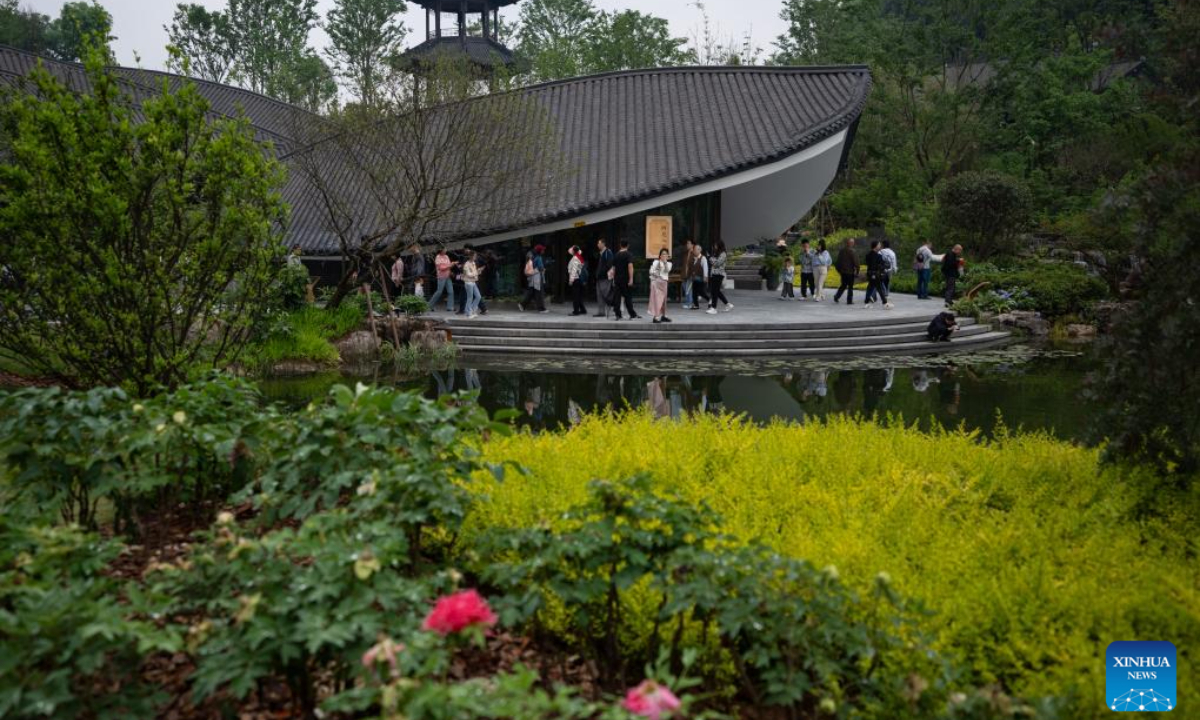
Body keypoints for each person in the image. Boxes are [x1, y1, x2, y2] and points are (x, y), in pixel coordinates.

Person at [612, 239, 638, 320]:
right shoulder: (628, 254)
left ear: (620, 245)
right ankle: (632, 314)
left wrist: (613, 279)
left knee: (617, 297)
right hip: (625, 279)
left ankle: (617, 314)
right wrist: (631, 279)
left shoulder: (616, 255)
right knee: (628, 297)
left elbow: (613, 268)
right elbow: (630, 266)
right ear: (628, 245)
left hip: (617, 279)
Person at [863, 240, 893, 309]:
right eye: (879, 245)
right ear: (876, 246)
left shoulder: (868, 255)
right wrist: (883, 266)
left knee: (870, 288)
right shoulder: (877, 256)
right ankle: (885, 303)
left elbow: (870, 265)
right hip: (875, 274)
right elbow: (876, 265)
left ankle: (867, 303)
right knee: (879, 289)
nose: (880, 246)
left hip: (871, 274)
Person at [518, 245, 548, 313]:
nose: (543, 251)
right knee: (539, 293)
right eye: (542, 250)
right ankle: (541, 308)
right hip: (537, 277)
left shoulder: (534, 257)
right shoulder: (539, 258)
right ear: (540, 251)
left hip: (532, 277)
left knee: (531, 292)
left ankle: (522, 304)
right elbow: (540, 267)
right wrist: (543, 269)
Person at [707, 240, 733, 313]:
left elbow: (717, 263)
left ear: (719, 245)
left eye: (716, 245)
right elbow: (714, 262)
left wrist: (710, 257)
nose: (715, 247)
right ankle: (727, 304)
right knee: (716, 291)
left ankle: (714, 308)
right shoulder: (717, 253)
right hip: (714, 274)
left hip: (719, 274)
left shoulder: (723, 254)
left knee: (715, 291)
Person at [648, 248, 672, 323]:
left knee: (664, 300)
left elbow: (667, 270)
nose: (664, 255)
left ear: (668, 256)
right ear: (660, 256)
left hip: (664, 283)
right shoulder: (656, 262)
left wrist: (664, 263)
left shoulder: (669, 264)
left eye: (666, 254)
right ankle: (656, 317)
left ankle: (663, 315)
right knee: (657, 300)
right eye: (663, 254)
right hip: (657, 282)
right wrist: (656, 271)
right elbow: (651, 271)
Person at [428, 247, 455, 311]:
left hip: (448, 276)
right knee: (439, 291)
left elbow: (448, 266)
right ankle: (429, 305)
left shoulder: (446, 256)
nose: (446, 250)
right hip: (441, 276)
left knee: (451, 291)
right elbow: (441, 268)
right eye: (445, 249)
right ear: (441, 250)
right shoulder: (438, 257)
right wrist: (451, 265)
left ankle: (450, 307)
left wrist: (450, 271)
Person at [834, 238, 859, 304]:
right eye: (852, 242)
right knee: (850, 286)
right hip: (850, 272)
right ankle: (849, 300)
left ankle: (837, 296)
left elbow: (838, 262)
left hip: (843, 272)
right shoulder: (852, 251)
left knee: (843, 285)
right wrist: (857, 271)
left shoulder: (842, 251)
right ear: (850, 243)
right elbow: (856, 262)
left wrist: (839, 270)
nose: (853, 243)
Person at [595, 238, 614, 318]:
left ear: (603, 244)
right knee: (599, 294)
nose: (598, 245)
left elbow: (609, 264)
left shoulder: (607, 252)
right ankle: (601, 311)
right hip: (600, 277)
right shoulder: (602, 253)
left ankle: (611, 309)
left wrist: (603, 273)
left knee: (606, 294)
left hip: (605, 277)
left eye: (599, 243)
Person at [567, 245, 588, 316]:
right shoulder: (579, 256)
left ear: (573, 251)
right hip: (579, 279)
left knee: (576, 296)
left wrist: (571, 280)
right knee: (579, 296)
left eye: (572, 250)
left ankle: (576, 311)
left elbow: (574, 270)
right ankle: (583, 309)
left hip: (576, 279)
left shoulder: (575, 258)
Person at [688, 244, 709, 309]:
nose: (694, 251)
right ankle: (696, 305)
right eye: (694, 250)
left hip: (701, 278)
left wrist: (705, 277)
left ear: (700, 250)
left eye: (696, 249)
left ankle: (710, 299)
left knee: (701, 291)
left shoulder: (703, 258)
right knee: (694, 292)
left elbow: (705, 268)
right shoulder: (694, 258)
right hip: (695, 278)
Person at [462, 249, 482, 319]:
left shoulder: (473, 263)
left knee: (478, 296)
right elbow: (468, 274)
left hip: (473, 282)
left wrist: (478, 271)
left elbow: (474, 273)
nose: (475, 257)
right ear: (470, 256)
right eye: (474, 256)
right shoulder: (466, 264)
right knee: (469, 298)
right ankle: (468, 313)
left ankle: (472, 310)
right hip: (468, 282)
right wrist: (476, 273)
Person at [681, 239, 696, 308]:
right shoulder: (686, 253)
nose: (687, 245)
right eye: (687, 243)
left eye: (689, 243)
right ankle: (689, 301)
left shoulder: (695, 253)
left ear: (692, 245)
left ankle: (689, 303)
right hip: (685, 273)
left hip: (691, 273)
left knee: (689, 288)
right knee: (685, 286)